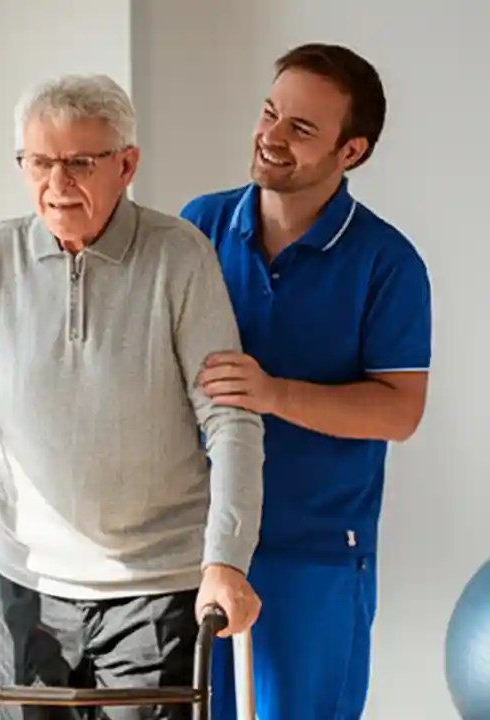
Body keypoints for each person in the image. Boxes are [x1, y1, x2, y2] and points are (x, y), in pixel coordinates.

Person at [0, 74, 265, 720]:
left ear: (127, 166)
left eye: (79, 163)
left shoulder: (179, 257)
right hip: (27, 589)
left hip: (157, 588)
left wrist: (225, 560)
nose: (57, 183)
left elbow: (231, 421)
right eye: (39, 162)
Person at [179, 43, 432, 719]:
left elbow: (400, 412)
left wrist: (271, 394)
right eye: (270, 113)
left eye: (301, 129)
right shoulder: (196, 227)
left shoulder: (388, 263)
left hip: (314, 556)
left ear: (351, 151)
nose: (271, 137)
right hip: (193, 550)